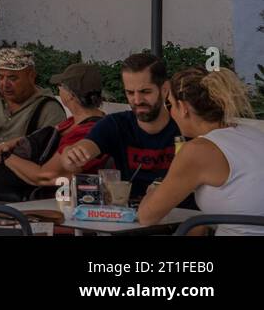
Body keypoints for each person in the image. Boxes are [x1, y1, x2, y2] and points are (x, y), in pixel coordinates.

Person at [138, 68, 264, 234]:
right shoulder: (254, 135)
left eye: (169, 104)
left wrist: (153, 191)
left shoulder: (198, 150)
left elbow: (147, 216)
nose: (170, 112)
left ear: (183, 108)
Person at [45, 53, 183, 201]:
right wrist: (71, 154)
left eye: (145, 92)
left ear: (164, 89)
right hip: (128, 217)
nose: (137, 100)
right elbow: (86, 147)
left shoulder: (184, 127)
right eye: (130, 93)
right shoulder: (116, 124)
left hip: (183, 218)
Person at [0, 62, 109, 183]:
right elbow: (40, 138)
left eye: (60, 85)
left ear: (71, 95)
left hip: (47, 198)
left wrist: (6, 156)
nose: (58, 89)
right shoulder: (72, 122)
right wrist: (3, 146)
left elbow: (45, 176)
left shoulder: (88, 132)